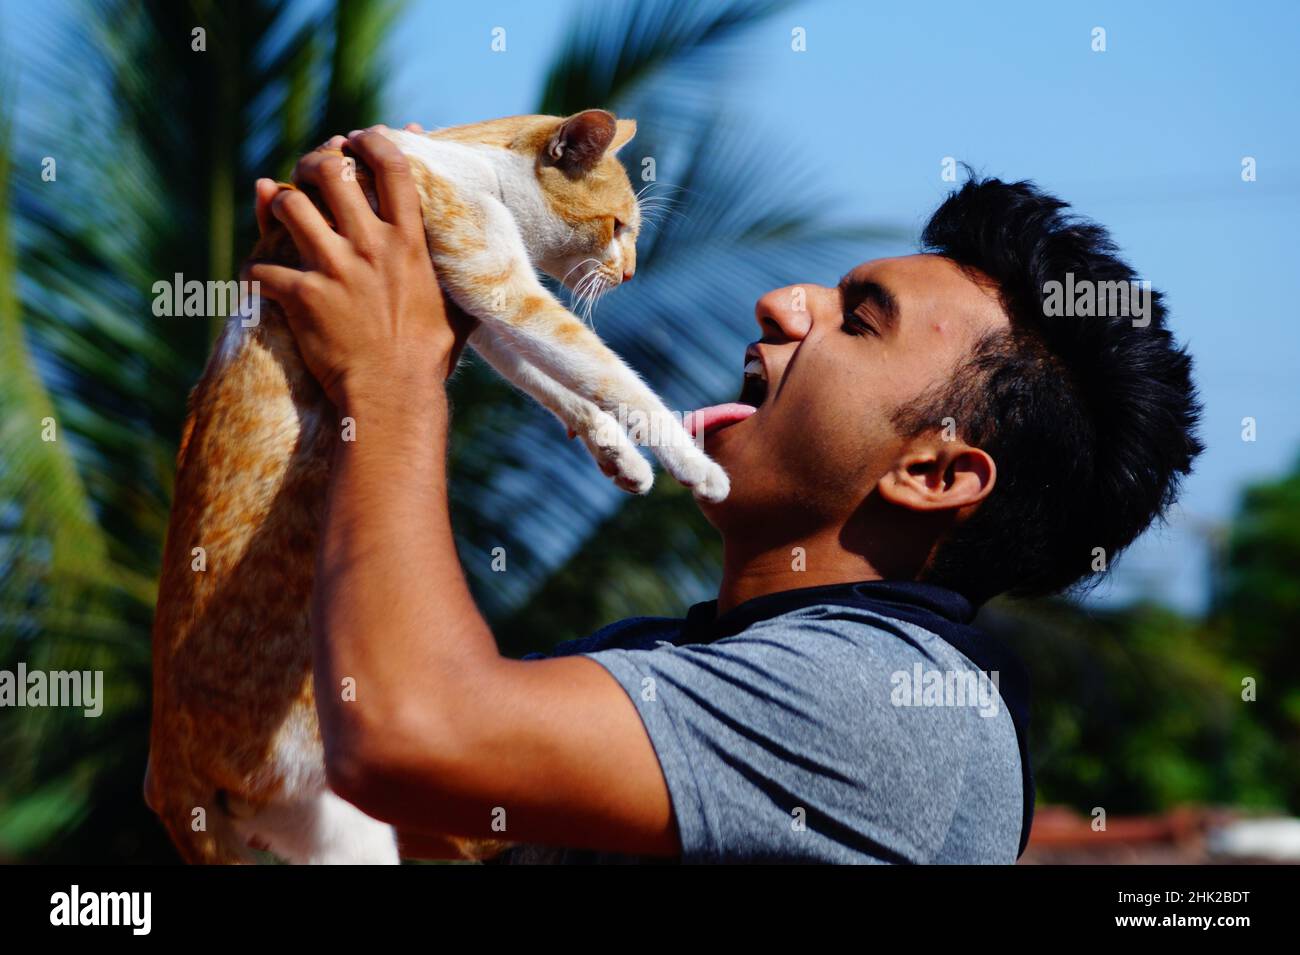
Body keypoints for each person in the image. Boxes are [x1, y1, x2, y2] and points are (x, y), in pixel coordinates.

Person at [245, 126, 1203, 864]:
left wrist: (390, 379)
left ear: (935, 472)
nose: (784, 302)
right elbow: (340, 793)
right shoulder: (649, 662)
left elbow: (411, 732)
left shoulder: (899, 706)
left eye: (858, 322)